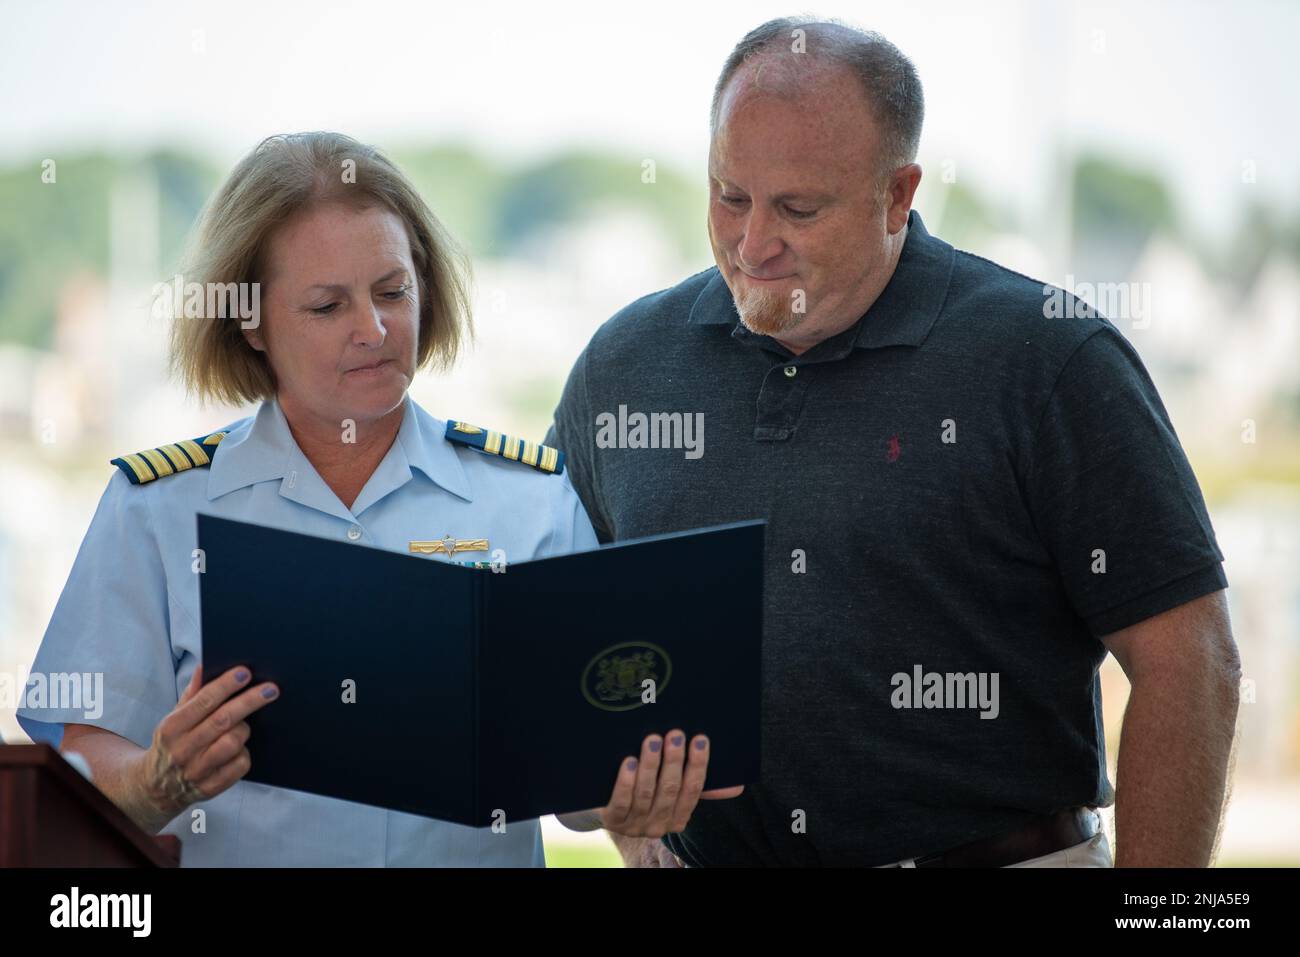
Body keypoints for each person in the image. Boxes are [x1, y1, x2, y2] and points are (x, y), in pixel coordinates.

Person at [546, 18, 1240, 867]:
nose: (752, 243)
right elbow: (556, 648)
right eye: (730, 195)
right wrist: (621, 817)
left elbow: (1189, 662)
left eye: (798, 209)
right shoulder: (624, 364)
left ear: (898, 195)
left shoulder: (1048, 360)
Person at [17, 131, 740, 867]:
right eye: (328, 306)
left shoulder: (529, 499)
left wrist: (623, 788)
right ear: (251, 321)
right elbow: (78, 769)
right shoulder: (156, 509)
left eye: (393, 291)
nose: (374, 329)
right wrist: (153, 779)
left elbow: (579, 789)